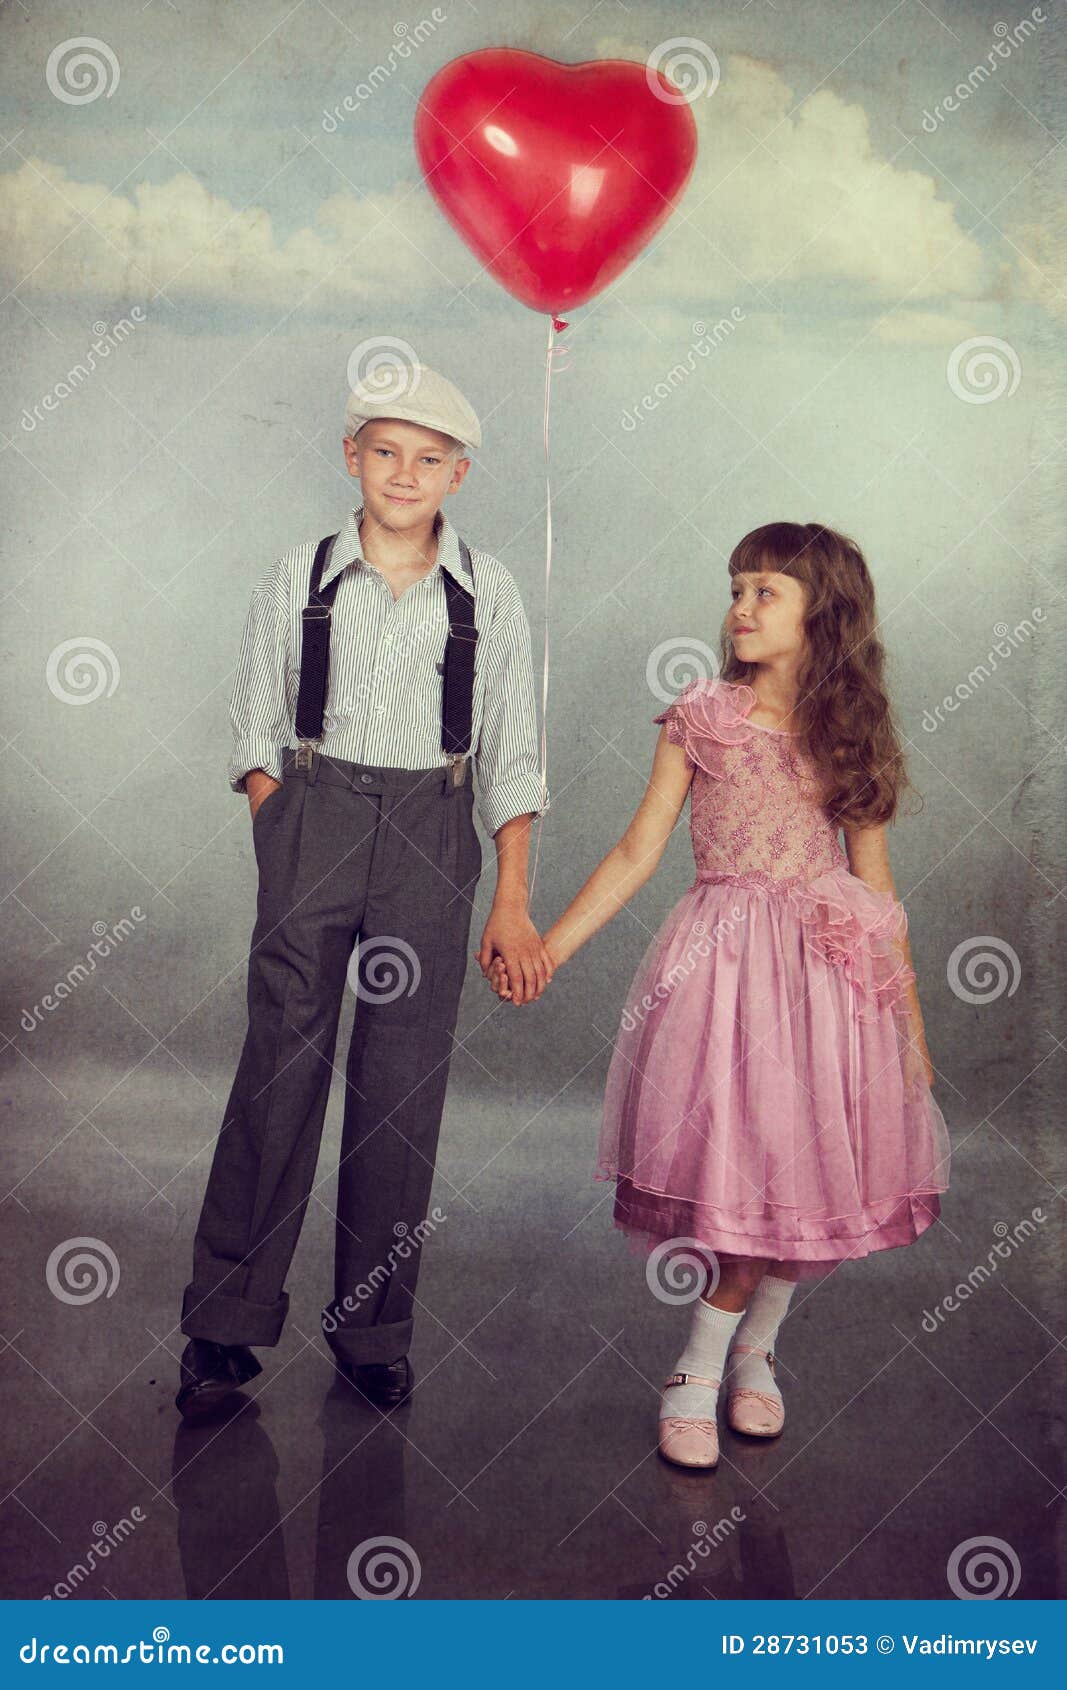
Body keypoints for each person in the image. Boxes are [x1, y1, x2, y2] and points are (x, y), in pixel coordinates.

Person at [488, 521, 951, 1468]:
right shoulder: (703, 717)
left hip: (826, 982)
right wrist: (550, 946)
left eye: (764, 592)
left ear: (824, 613)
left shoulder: (849, 739)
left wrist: (907, 1024)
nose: (739, 608)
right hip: (726, 973)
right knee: (752, 1177)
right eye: (736, 589)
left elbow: (876, 887)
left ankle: (754, 1357)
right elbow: (637, 852)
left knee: (807, 1181)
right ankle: (697, 1369)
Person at [176, 360, 553, 1423]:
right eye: (384, 451)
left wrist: (510, 898)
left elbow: (512, 757)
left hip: (433, 831)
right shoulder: (300, 570)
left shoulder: (489, 591)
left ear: (458, 474)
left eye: (428, 458)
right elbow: (256, 724)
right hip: (315, 815)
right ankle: (223, 1323)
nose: (404, 472)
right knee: (277, 1069)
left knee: (400, 1089)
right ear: (351, 457)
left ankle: (373, 1330)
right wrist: (283, 824)